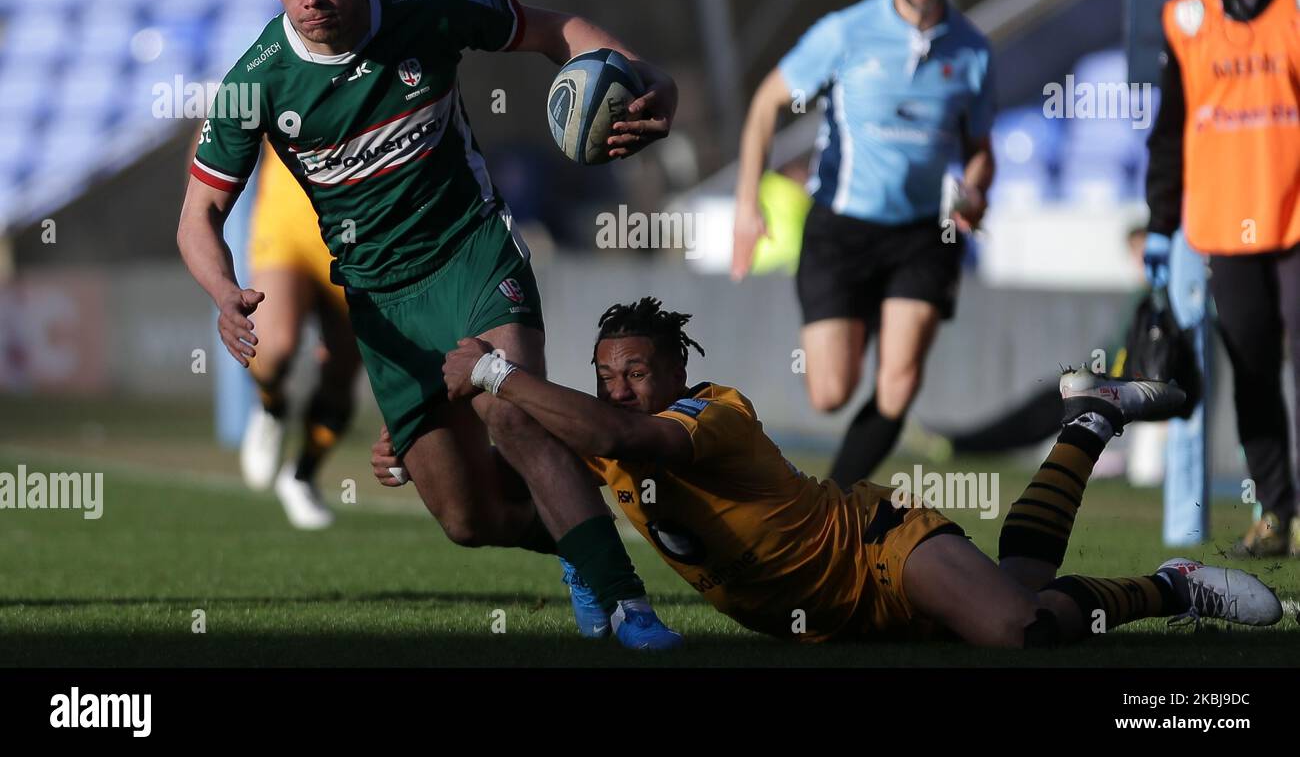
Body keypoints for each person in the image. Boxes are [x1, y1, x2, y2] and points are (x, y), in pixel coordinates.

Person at [177, 0, 682, 649]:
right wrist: (222, 291)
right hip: (381, 301)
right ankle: (579, 544)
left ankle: (626, 605)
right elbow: (197, 218)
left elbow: (556, 30)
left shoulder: (431, 6)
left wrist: (654, 81)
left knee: (510, 409)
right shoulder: (256, 81)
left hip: (471, 250)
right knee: (467, 519)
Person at [373, 297, 1281, 644]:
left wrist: (497, 372)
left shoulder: (708, 412)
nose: (621, 387)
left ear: (679, 371)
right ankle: (1091, 417)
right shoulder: (596, 429)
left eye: (638, 370)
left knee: (1014, 628)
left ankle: (1171, 588)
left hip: (873, 547)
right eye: (608, 374)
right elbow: (530, 489)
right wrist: (423, 452)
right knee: (1027, 591)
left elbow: (639, 443)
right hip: (824, 618)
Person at [732, 0, 995, 489]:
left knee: (898, 384)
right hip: (841, 229)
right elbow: (764, 105)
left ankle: (831, 504)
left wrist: (975, 189)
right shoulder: (844, 32)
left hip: (923, 234)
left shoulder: (973, 51)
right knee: (830, 393)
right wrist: (746, 207)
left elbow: (981, 147)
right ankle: (868, 315)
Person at [1145, 0, 1300, 558]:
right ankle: (1275, 513)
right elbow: (1168, 133)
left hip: (1298, 218)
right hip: (1225, 225)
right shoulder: (1184, 18)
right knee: (1254, 365)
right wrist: (1157, 226)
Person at [239, 143, 363, 529]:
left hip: (357, 237)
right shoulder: (277, 80)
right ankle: (272, 406)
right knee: (276, 345)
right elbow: (220, 123)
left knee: (343, 370)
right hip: (287, 227)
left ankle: (301, 475)